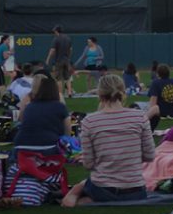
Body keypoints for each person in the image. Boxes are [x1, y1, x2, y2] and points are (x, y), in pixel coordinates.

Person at [62, 74, 155, 206]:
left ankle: (75, 194)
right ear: (123, 93)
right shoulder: (140, 117)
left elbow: (88, 164)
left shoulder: (90, 121)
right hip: (136, 190)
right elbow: (150, 155)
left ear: (100, 95)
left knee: (84, 190)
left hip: (102, 189)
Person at [12, 75, 68, 155]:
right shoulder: (59, 106)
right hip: (47, 146)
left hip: (21, 147)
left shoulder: (29, 105)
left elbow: (21, 119)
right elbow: (67, 132)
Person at [146, 64, 173, 131]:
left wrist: (149, 113)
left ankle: (141, 124)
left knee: (151, 109)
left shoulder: (155, 83)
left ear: (158, 74)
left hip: (161, 110)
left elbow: (153, 103)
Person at [45, 25, 73, 96]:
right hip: (66, 60)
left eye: (54, 31)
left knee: (58, 78)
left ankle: (60, 93)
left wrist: (48, 59)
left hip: (58, 61)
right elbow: (70, 50)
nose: (54, 32)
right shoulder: (68, 38)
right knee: (67, 77)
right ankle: (69, 92)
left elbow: (52, 50)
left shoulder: (56, 39)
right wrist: (68, 58)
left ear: (56, 31)